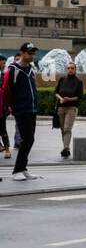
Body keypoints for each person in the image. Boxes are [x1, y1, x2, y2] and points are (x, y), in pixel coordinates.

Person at [1, 42, 39, 180]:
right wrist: (12, 106)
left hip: (32, 109)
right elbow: (5, 90)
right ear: (22, 53)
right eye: (29, 53)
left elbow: (33, 89)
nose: (32, 55)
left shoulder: (31, 69)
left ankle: (23, 168)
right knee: (27, 139)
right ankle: (17, 171)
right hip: (21, 110)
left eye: (33, 53)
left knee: (29, 140)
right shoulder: (13, 70)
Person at [54, 61, 84, 159]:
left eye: (72, 68)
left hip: (72, 107)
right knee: (63, 129)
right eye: (68, 68)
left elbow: (79, 97)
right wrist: (61, 98)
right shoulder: (62, 79)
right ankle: (65, 148)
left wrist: (69, 99)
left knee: (67, 128)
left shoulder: (78, 82)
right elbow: (56, 92)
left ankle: (66, 148)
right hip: (61, 107)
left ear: (75, 69)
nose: (70, 70)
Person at [0, 54, 9, 159]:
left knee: (3, 129)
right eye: (3, 63)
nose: (4, 65)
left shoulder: (4, 76)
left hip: (2, 107)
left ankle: (7, 149)